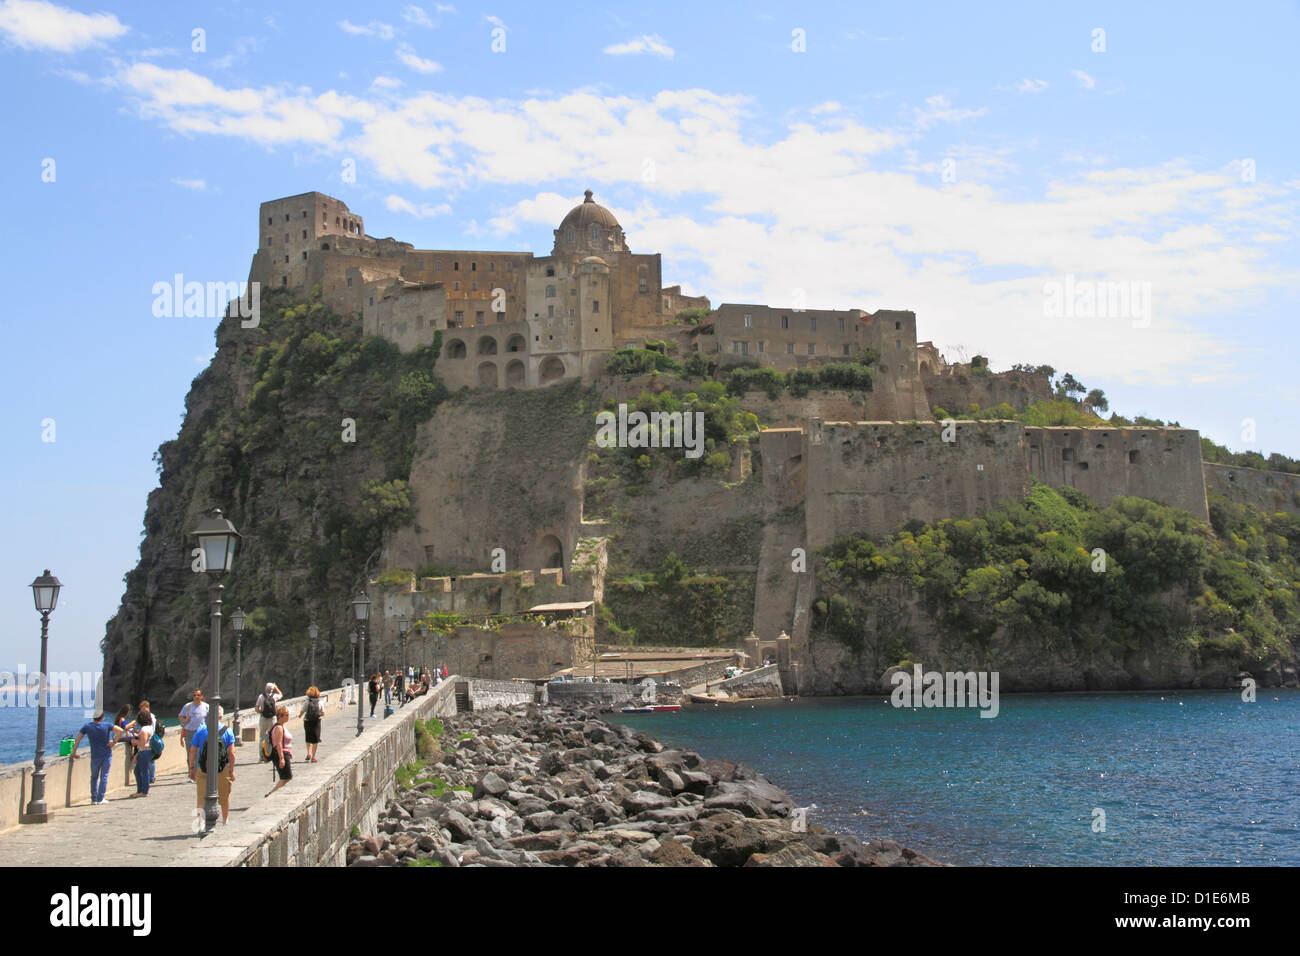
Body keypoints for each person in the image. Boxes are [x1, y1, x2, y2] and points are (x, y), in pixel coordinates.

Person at [188, 717, 236, 823]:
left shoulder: (201, 729)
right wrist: (232, 770)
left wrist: (191, 768)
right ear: (221, 717)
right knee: (224, 795)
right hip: (222, 768)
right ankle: (225, 820)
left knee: (201, 797)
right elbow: (232, 753)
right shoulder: (228, 731)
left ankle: (200, 823)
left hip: (203, 768)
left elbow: (192, 750)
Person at [71, 711, 123, 805]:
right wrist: (114, 742)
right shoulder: (107, 725)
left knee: (94, 777)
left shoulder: (87, 726)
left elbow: (78, 739)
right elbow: (120, 731)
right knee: (104, 776)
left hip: (95, 755)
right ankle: (100, 798)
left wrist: (73, 752)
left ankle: (94, 799)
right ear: (102, 717)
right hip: (106, 754)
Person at [265, 705, 293, 797]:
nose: (288, 716)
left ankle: (273, 793)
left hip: (285, 753)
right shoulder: (279, 728)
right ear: (280, 716)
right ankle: (271, 794)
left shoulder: (281, 726)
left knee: (286, 777)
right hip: (280, 754)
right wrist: (282, 758)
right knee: (286, 777)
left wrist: (289, 752)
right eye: (286, 715)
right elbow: (279, 744)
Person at [127, 711, 154, 796]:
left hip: (144, 751)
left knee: (143, 771)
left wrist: (134, 741)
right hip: (148, 751)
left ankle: (144, 791)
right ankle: (140, 790)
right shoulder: (150, 727)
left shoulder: (144, 729)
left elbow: (143, 742)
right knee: (137, 771)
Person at [302, 685, 324, 762]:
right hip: (316, 722)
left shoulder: (307, 702)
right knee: (315, 739)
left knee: (308, 737)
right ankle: (313, 757)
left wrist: (300, 715)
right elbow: (323, 713)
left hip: (307, 721)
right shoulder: (320, 702)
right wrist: (317, 715)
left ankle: (308, 753)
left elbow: (303, 711)